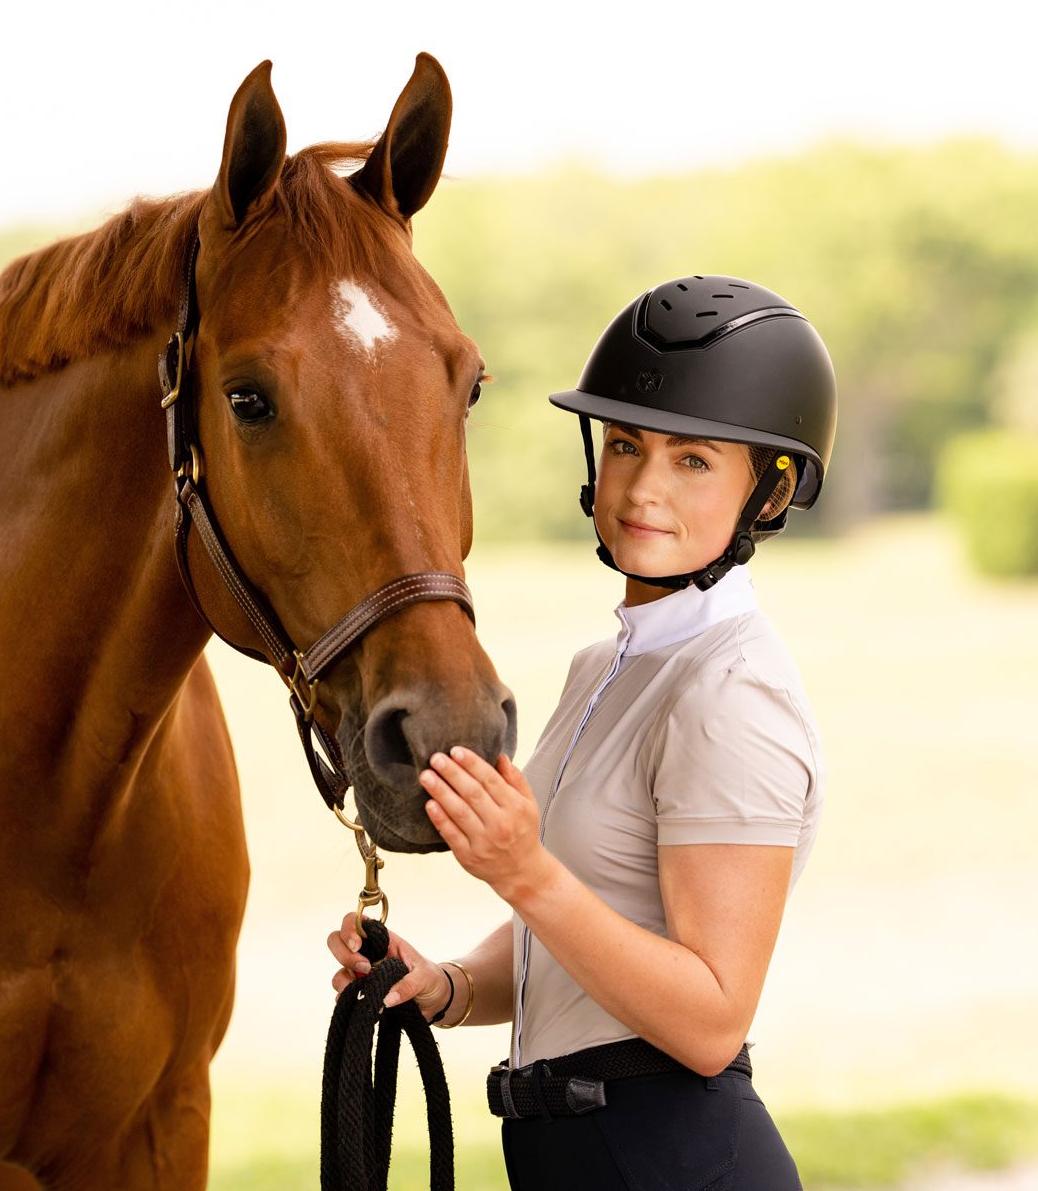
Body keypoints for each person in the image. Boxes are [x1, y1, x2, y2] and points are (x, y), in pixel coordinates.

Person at [327, 274, 837, 1190]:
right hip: (578, 1155)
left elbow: (712, 1019)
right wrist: (446, 985)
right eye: (626, 445)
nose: (642, 487)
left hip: (669, 1158)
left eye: (693, 461)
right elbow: (584, 936)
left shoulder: (734, 695)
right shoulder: (602, 666)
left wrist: (523, 873)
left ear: (770, 492)